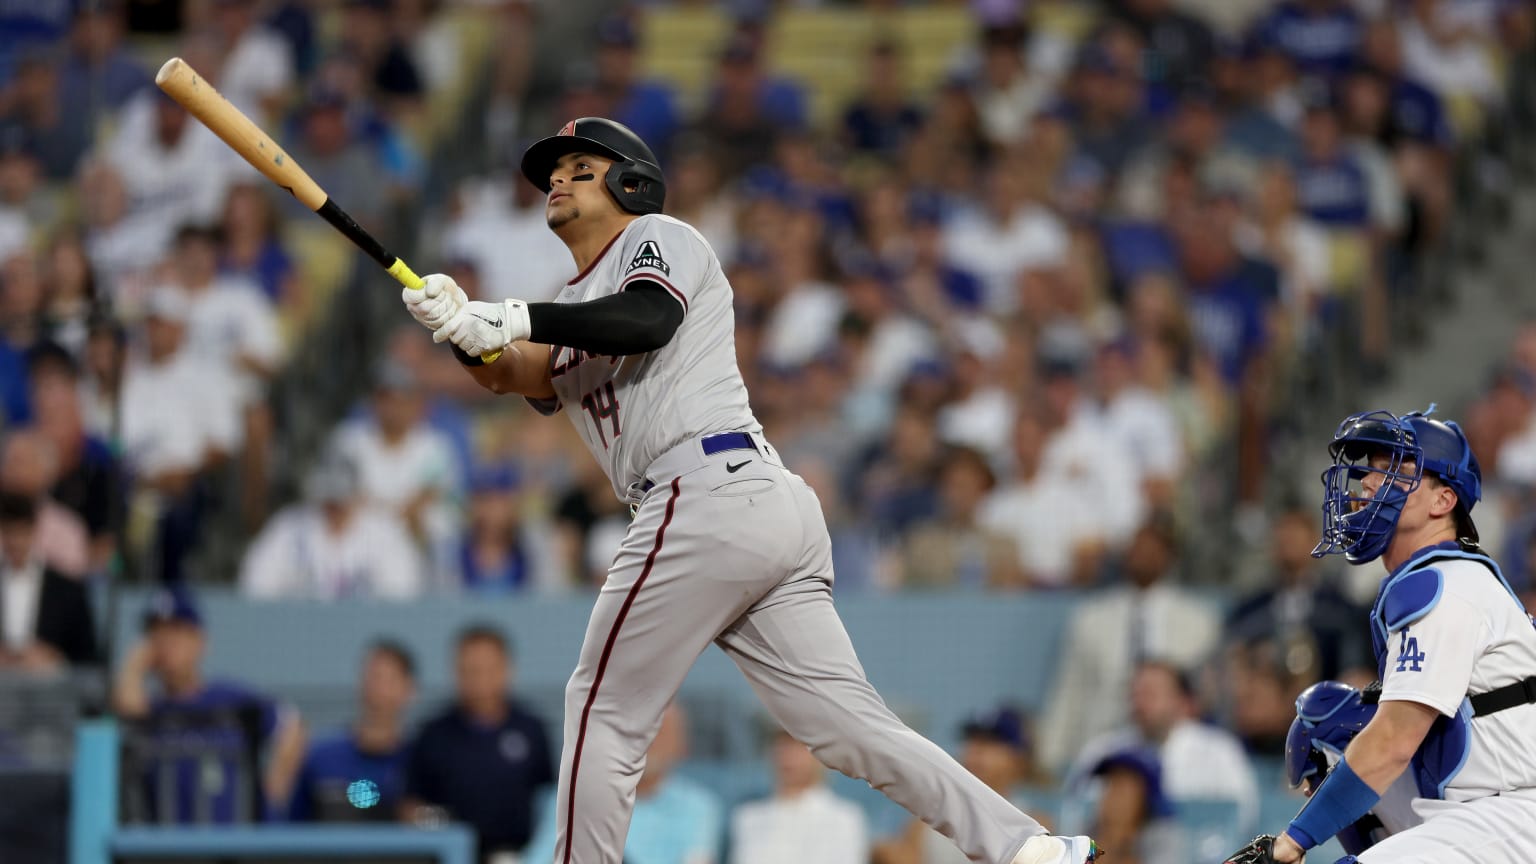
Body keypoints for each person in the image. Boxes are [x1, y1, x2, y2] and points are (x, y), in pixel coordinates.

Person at [401, 116, 1099, 864]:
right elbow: (518, 374)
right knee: (851, 728)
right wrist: (461, 330)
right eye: (554, 172)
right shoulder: (570, 299)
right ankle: (1027, 849)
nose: (559, 179)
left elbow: (646, 317)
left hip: (703, 492)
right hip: (749, 504)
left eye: (581, 166)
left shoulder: (657, 237)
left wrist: (508, 315)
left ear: (631, 182)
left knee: (604, 709)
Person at [1254, 407, 1536, 863]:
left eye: (1394, 470)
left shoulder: (1448, 584)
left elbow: (1394, 741)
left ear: (1443, 501)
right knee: (1326, 722)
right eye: (1371, 468)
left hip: (1513, 815)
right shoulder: (1439, 576)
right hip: (1469, 809)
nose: (1369, 481)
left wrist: (1290, 843)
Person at [112, 587, 306, 822]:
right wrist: (133, 666)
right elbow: (128, 710)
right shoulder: (151, 709)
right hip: (171, 840)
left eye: (176, 632)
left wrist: (270, 797)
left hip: (234, 838)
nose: (166, 642)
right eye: (156, 633)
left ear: (199, 641)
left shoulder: (229, 698)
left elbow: (291, 725)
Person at [401, 625, 554, 861]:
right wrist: (434, 830)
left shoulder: (531, 730)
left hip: (516, 855)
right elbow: (411, 804)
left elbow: (550, 801)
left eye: (488, 669)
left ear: (506, 670)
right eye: (471, 670)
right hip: (447, 855)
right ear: (456, 672)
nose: (480, 679)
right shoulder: (433, 734)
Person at [524, 702, 725, 864]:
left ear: (682, 746)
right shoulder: (575, 799)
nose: (649, 742)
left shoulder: (700, 807)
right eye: (640, 732)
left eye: (661, 732)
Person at [289, 640, 416, 822]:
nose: (379, 691)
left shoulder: (420, 762)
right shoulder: (321, 758)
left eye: (389, 681)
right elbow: (291, 824)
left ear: (409, 689)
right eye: (373, 678)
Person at [730, 725, 869, 864]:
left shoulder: (845, 818)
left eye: (798, 748)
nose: (788, 757)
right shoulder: (747, 817)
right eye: (782, 747)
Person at [0, 491, 97, 671]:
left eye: (21, 532)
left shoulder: (68, 590)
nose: (15, 542)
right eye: (9, 533)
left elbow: (88, 656)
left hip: (52, 684)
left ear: (34, 531)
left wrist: (54, 657)